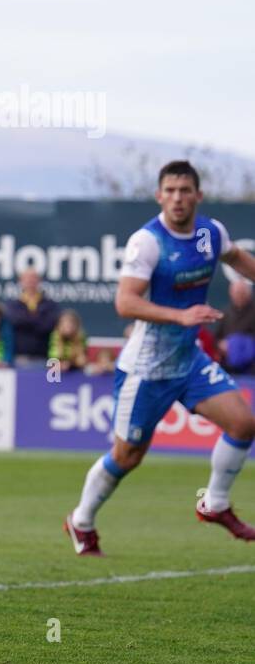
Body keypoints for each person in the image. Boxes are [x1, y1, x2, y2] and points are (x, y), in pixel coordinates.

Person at [64, 160, 255, 555]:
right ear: (159, 196)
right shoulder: (147, 242)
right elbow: (125, 302)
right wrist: (181, 315)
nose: (177, 198)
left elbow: (236, 258)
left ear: (198, 196)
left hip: (189, 360)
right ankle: (81, 520)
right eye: (170, 190)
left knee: (243, 423)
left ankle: (214, 504)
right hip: (145, 370)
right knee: (127, 456)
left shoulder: (211, 232)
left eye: (185, 190)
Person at [6, 269, 59, 364]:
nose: (30, 281)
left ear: (39, 280)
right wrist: (38, 318)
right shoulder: (13, 304)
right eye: (27, 278)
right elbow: (15, 321)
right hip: (19, 357)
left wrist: (26, 320)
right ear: (20, 281)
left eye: (33, 278)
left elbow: (48, 325)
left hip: (43, 357)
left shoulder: (50, 304)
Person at [216, 277, 255, 374]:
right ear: (231, 294)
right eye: (237, 293)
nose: (239, 296)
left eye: (242, 293)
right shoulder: (226, 313)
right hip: (229, 367)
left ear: (248, 294)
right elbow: (216, 338)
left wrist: (239, 344)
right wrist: (221, 345)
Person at [49, 309, 88, 373]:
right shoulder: (55, 335)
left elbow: (81, 360)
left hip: (76, 369)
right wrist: (61, 363)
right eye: (64, 323)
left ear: (76, 325)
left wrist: (70, 363)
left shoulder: (81, 336)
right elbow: (53, 358)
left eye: (71, 323)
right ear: (59, 324)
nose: (68, 326)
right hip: (57, 369)